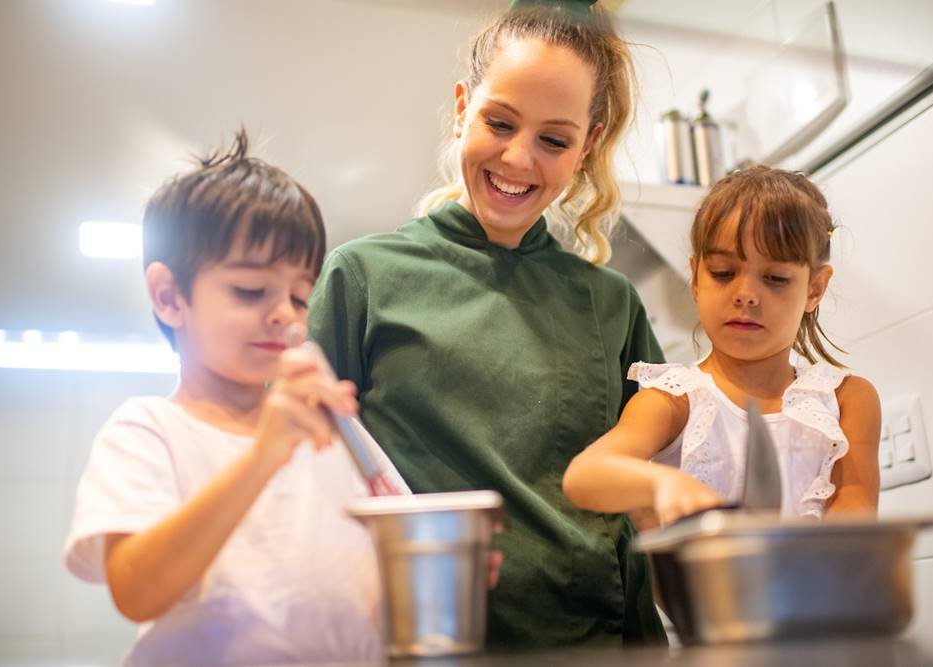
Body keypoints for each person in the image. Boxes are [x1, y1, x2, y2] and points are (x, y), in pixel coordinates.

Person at [308, 0, 667, 649]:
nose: (518, 158)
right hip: (416, 646)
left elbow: (640, 526)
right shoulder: (361, 280)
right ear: (460, 108)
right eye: (499, 122)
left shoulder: (615, 308)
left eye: (553, 139)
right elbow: (305, 490)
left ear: (587, 145)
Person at [63, 129, 409, 666]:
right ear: (169, 296)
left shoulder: (335, 431)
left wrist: (435, 567)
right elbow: (135, 590)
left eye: (299, 294)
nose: (285, 314)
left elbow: (395, 548)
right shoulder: (149, 431)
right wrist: (263, 455)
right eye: (250, 290)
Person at [563, 166, 881, 528]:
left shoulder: (846, 400)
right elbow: (584, 477)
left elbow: (854, 525)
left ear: (814, 289)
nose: (745, 295)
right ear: (696, 278)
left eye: (775, 278)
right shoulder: (673, 400)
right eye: (723, 273)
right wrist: (660, 484)